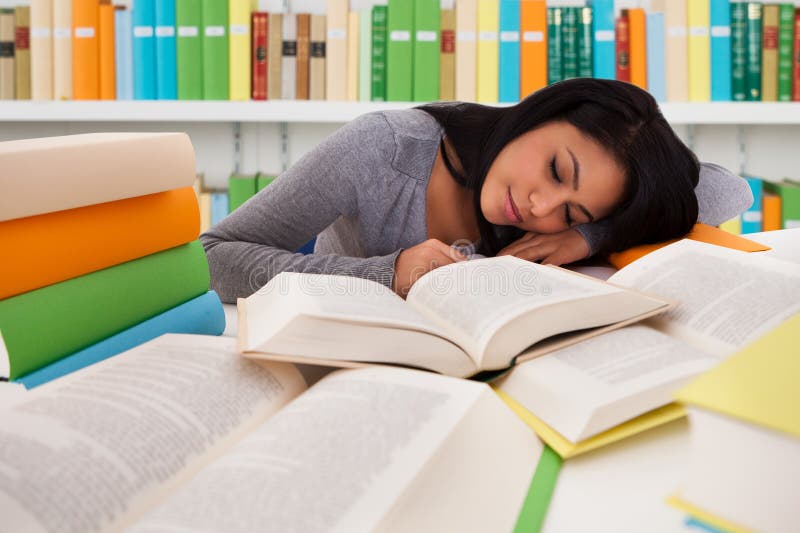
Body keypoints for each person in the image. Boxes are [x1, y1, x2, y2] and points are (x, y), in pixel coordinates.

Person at [201, 79, 752, 302]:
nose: (541, 208)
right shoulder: (383, 148)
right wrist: (383, 273)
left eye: (571, 210)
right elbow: (210, 257)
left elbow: (732, 191)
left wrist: (590, 236)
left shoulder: (567, 224)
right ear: (541, 113)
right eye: (557, 171)